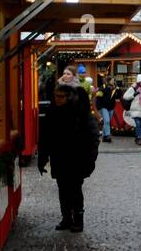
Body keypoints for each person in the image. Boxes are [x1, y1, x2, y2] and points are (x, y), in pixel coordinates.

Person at [38, 82, 100, 232]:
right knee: (62, 188)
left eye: (61, 97)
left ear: (68, 97)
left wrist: (89, 158)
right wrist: (43, 158)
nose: (58, 99)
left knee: (75, 188)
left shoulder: (80, 113)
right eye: (56, 96)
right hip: (59, 157)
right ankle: (66, 218)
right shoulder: (52, 112)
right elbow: (46, 138)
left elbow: (92, 137)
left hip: (76, 157)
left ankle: (78, 220)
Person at [124, 73, 141, 144]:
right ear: (139, 81)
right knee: (138, 123)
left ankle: (137, 137)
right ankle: (139, 138)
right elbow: (125, 97)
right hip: (135, 109)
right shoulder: (133, 88)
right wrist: (134, 94)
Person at [94, 76, 117, 143]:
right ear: (109, 81)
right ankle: (108, 135)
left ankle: (104, 137)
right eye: (112, 80)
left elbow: (118, 96)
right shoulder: (103, 87)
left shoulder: (115, 88)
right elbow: (98, 96)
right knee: (106, 121)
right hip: (104, 107)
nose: (114, 81)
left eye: (114, 80)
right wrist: (99, 93)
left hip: (111, 107)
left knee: (107, 122)